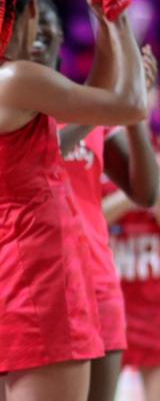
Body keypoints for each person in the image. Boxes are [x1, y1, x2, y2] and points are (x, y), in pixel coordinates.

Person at [0, 0, 149, 401]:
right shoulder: (19, 79)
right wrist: (120, 22)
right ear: (29, 11)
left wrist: (101, 25)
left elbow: (92, 106)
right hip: (45, 287)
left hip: (9, 282)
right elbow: (131, 104)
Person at [29, 0, 159, 401]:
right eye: (30, 25)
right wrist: (114, 100)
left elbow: (147, 192)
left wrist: (132, 111)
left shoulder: (93, 112)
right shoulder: (0, 108)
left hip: (100, 283)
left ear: (63, 38)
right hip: (31, 285)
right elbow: (43, 158)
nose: (39, 34)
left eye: (49, 26)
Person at [105, 137, 160, 401]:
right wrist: (139, 188)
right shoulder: (101, 151)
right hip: (108, 299)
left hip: (153, 304)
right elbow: (92, 215)